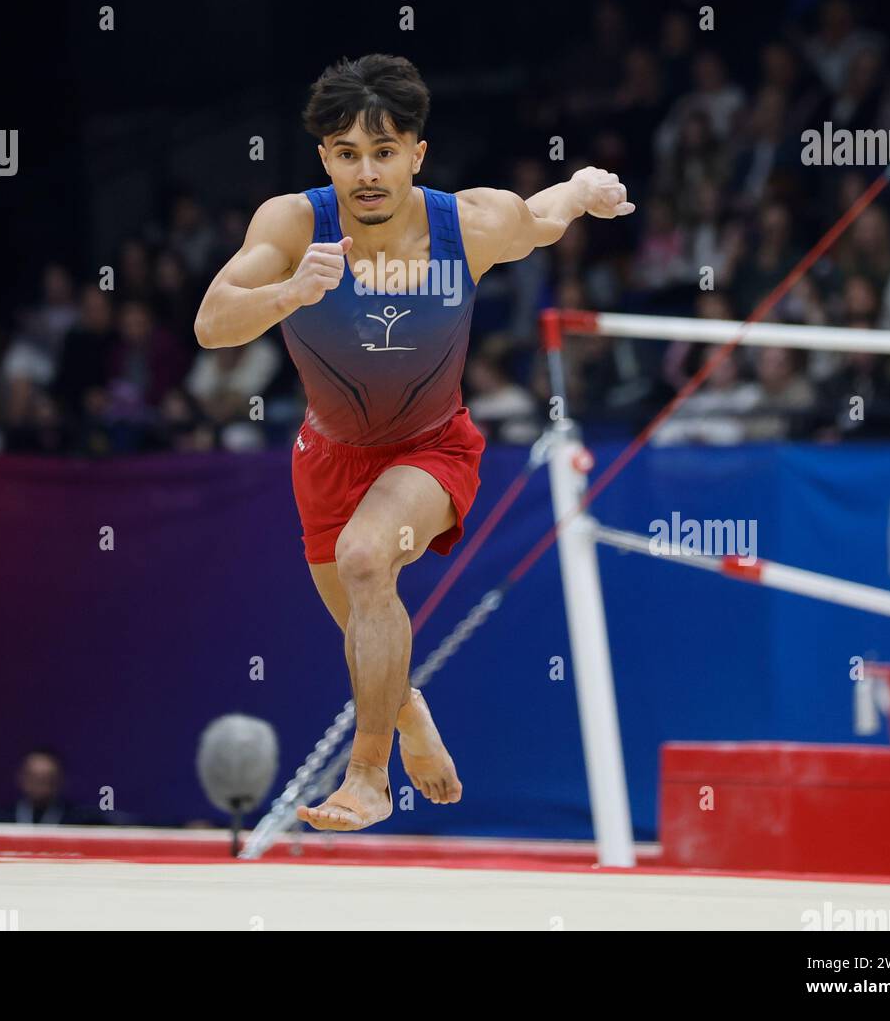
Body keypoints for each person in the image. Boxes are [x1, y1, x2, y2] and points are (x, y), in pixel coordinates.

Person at [194, 54, 635, 830]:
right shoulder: (293, 225)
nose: (366, 172)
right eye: (348, 154)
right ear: (324, 156)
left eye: (385, 152)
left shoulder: (466, 223)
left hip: (432, 449)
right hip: (326, 459)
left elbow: (541, 215)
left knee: (368, 559)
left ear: (417, 155)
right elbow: (212, 322)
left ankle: (368, 776)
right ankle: (411, 715)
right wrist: (291, 290)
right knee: (363, 606)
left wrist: (584, 190)